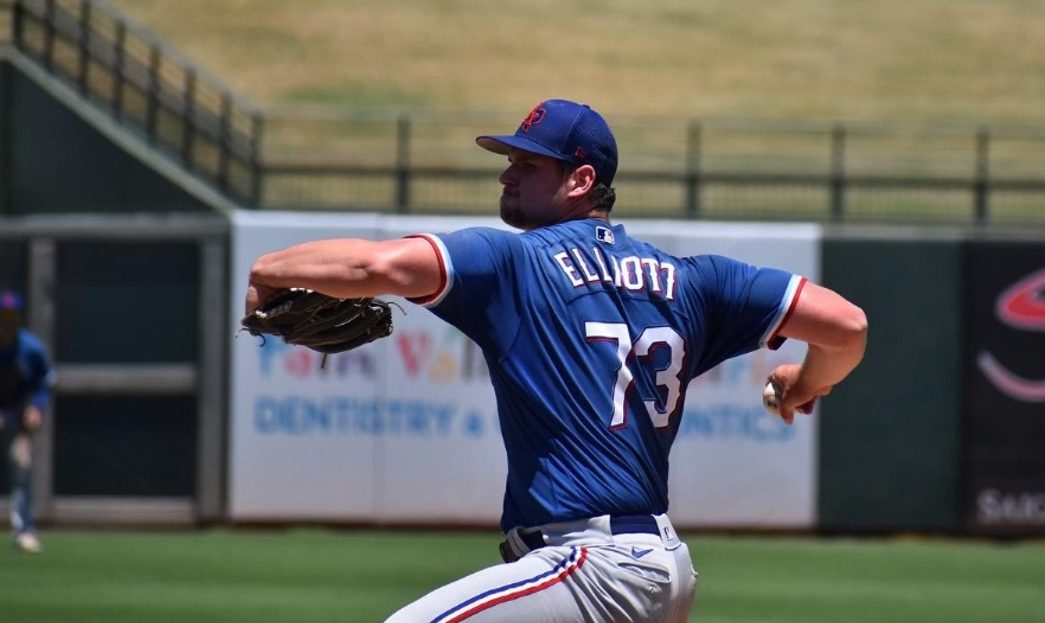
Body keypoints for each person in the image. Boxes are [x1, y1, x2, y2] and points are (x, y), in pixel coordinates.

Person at [246, 99, 867, 622]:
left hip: (591, 569)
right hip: (655, 567)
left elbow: (374, 268)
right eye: (509, 161)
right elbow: (846, 326)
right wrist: (803, 383)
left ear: (581, 180)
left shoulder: (514, 263)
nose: (507, 175)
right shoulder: (695, 281)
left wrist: (266, 270)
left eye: (528, 163)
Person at [0, 291, 55, 554]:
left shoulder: (30, 348)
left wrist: (37, 407)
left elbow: (45, 382)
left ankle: (24, 530)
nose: (7, 321)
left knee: (22, 465)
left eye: (11, 316)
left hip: (18, 414)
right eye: (3, 316)